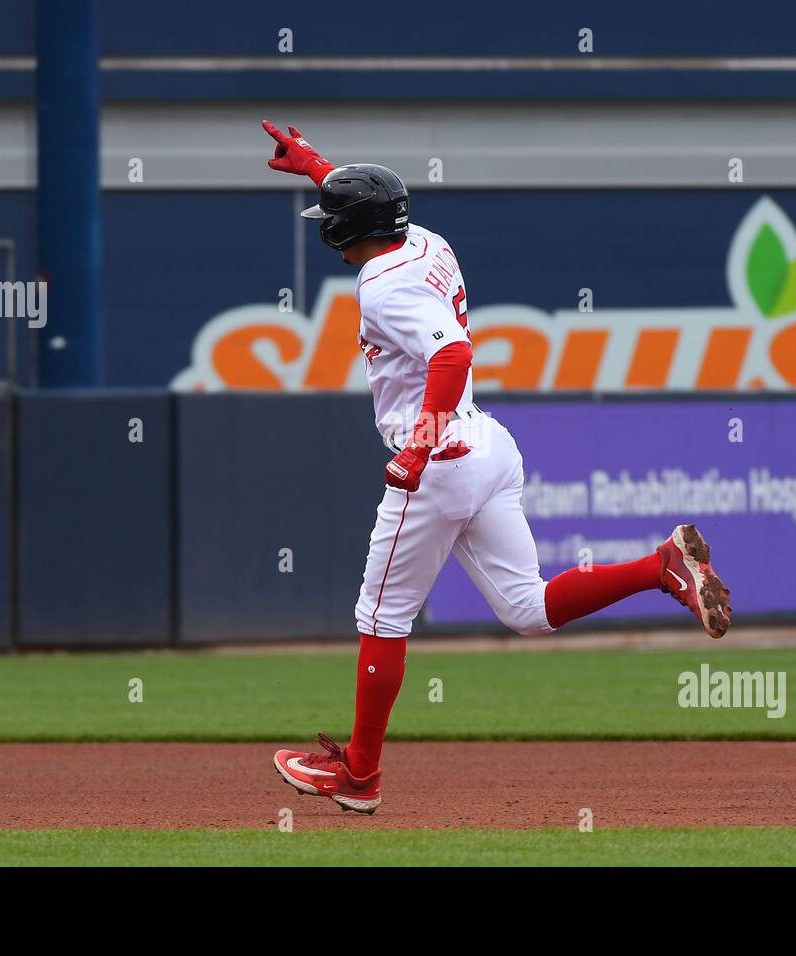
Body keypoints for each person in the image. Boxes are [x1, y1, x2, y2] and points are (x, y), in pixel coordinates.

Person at [261, 121, 731, 813]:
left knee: (381, 618)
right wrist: (314, 166)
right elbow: (372, 210)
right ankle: (657, 566)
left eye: (332, 217)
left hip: (441, 465)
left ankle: (360, 775)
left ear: (346, 230)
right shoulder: (425, 241)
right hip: (488, 448)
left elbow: (452, 357)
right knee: (527, 610)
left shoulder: (382, 286)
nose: (326, 226)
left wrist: (418, 446)